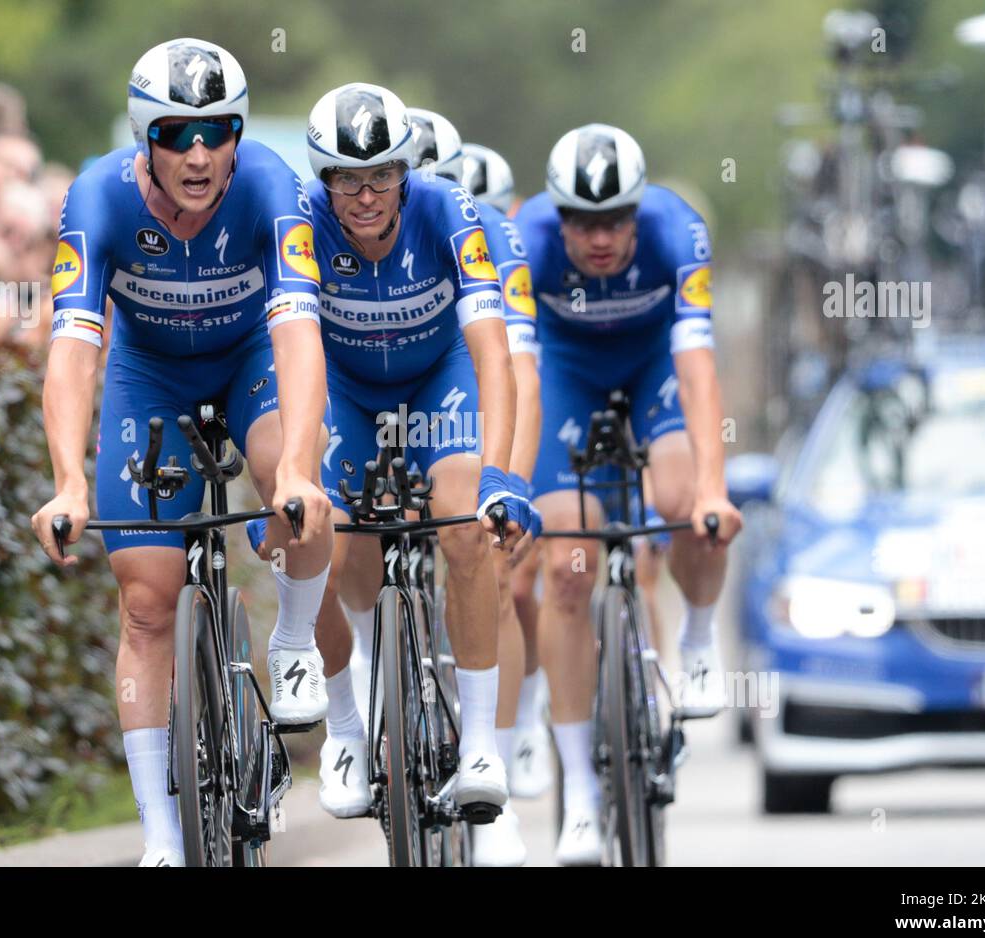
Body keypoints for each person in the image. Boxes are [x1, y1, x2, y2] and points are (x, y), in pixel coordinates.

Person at [29, 38, 333, 867]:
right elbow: (73, 348)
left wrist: (300, 464)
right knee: (147, 601)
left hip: (251, 363)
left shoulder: (274, 185)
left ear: (237, 132)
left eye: (217, 130)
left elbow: (301, 332)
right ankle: (162, 831)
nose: (199, 154)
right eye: (175, 134)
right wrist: (65, 481)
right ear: (144, 139)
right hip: (150, 376)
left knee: (296, 494)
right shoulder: (95, 196)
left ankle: (293, 640)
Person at [302, 83, 534, 825]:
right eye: (345, 177)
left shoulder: (447, 211)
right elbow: (283, 351)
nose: (365, 195)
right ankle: (354, 709)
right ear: (322, 177)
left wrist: (500, 477)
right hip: (349, 388)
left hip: (440, 382)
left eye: (380, 176)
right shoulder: (300, 221)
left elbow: (494, 356)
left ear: (407, 171)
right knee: (325, 543)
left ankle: (481, 745)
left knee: (463, 523)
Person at [515, 123, 743, 865]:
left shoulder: (678, 231)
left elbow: (698, 361)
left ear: (638, 210)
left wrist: (714, 485)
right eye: (582, 219)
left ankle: (699, 637)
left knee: (688, 503)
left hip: (654, 372)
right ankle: (579, 790)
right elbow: (514, 368)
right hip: (565, 372)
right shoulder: (527, 239)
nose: (600, 236)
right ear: (559, 214)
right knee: (571, 562)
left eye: (615, 218)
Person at [402, 117, 542, 866]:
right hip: (379, 393)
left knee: (486, 556)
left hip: (460, 399)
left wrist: (508, 483)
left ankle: (500, 781)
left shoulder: (486, 231)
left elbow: (517, 370)